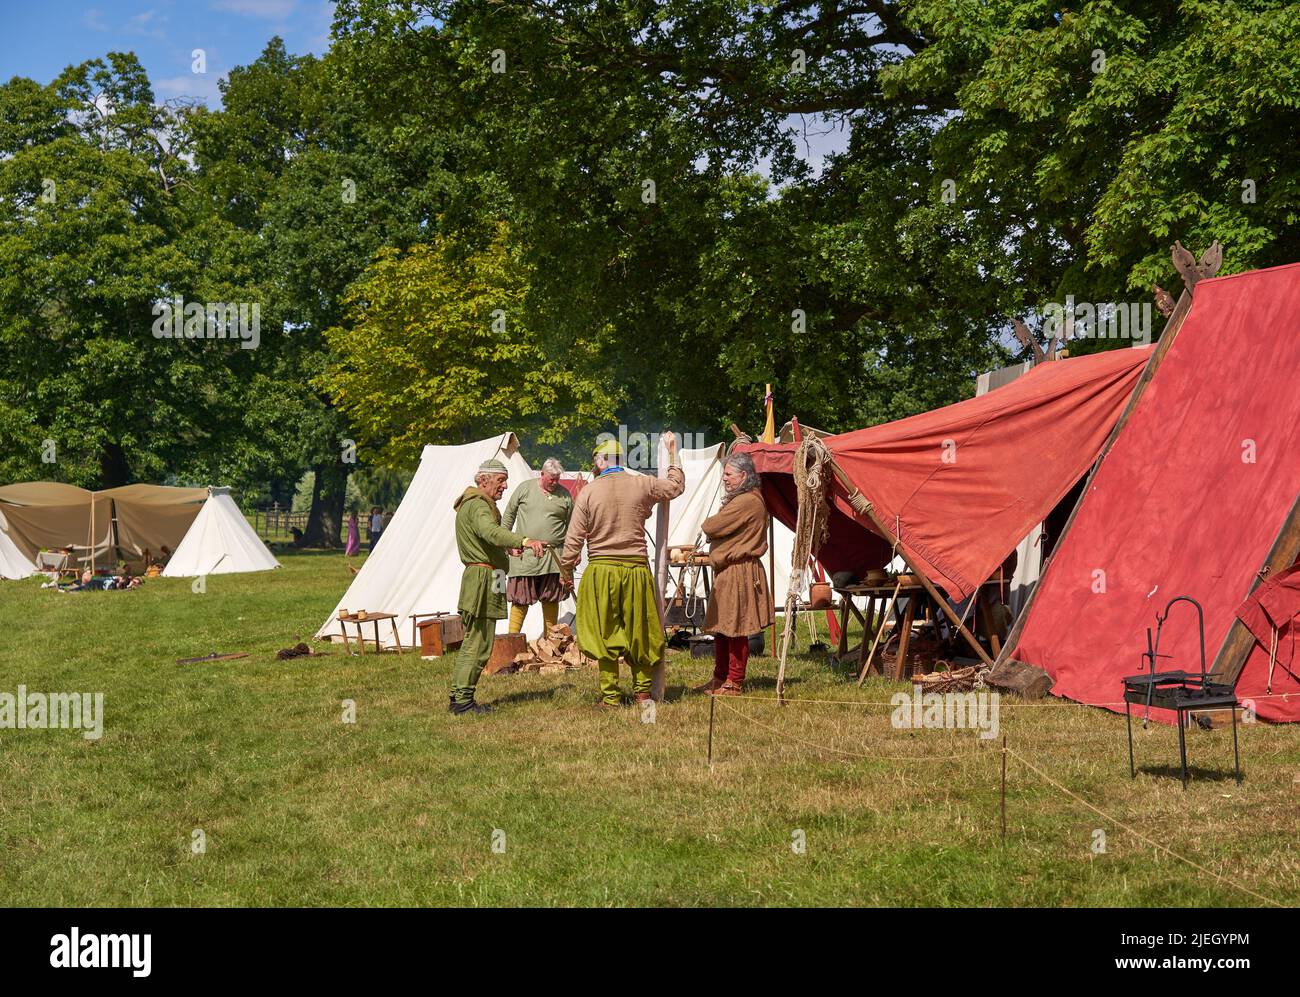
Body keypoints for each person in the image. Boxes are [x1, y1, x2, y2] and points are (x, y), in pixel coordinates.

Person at [560, 433, 684, 707]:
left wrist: (566, 570)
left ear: (601, 461)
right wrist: (673, 455)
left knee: (605, 632)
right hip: (636, 569)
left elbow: (573, 539)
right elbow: (675, 487)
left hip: (602, 572)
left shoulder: (588, 491)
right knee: (640, 631)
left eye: (595, 459)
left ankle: (611, 696)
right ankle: (642, 694)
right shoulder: (642, 483)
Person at [450, 459, 546, 715]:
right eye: (500, 480)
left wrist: (506, 548)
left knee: (476, 640)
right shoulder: (479, 505)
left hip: (485, 576)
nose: (505, 486)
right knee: (479, 643)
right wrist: (524, 540)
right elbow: (490, 531)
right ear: (484, 481)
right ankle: (463, 702)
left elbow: (488, 539)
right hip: (483, 579)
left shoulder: (474, 504)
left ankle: (459, 696)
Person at [692, 451, 773, 696]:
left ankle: (734, 682)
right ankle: (720, 678)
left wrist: (716, 531)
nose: (724, 479)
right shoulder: (744, 499)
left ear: (743, 475)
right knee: (723, 626)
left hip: (739, 571)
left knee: (735, 628)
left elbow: (711, 525)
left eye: (728, 474)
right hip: (730, 570)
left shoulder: (746, 501)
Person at [502, 458, 573, 635]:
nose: (555, 483)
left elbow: (573, 527)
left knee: (551, 598)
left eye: (557, 479)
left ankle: (550, 641)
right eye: (551, 479)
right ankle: (512, 640)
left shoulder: (564, 495)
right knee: (520, 599)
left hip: (554, 556)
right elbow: (508, 516)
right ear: (542, 474)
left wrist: (573, 553)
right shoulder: (525, 489)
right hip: (525, 554)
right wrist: (508, 544)